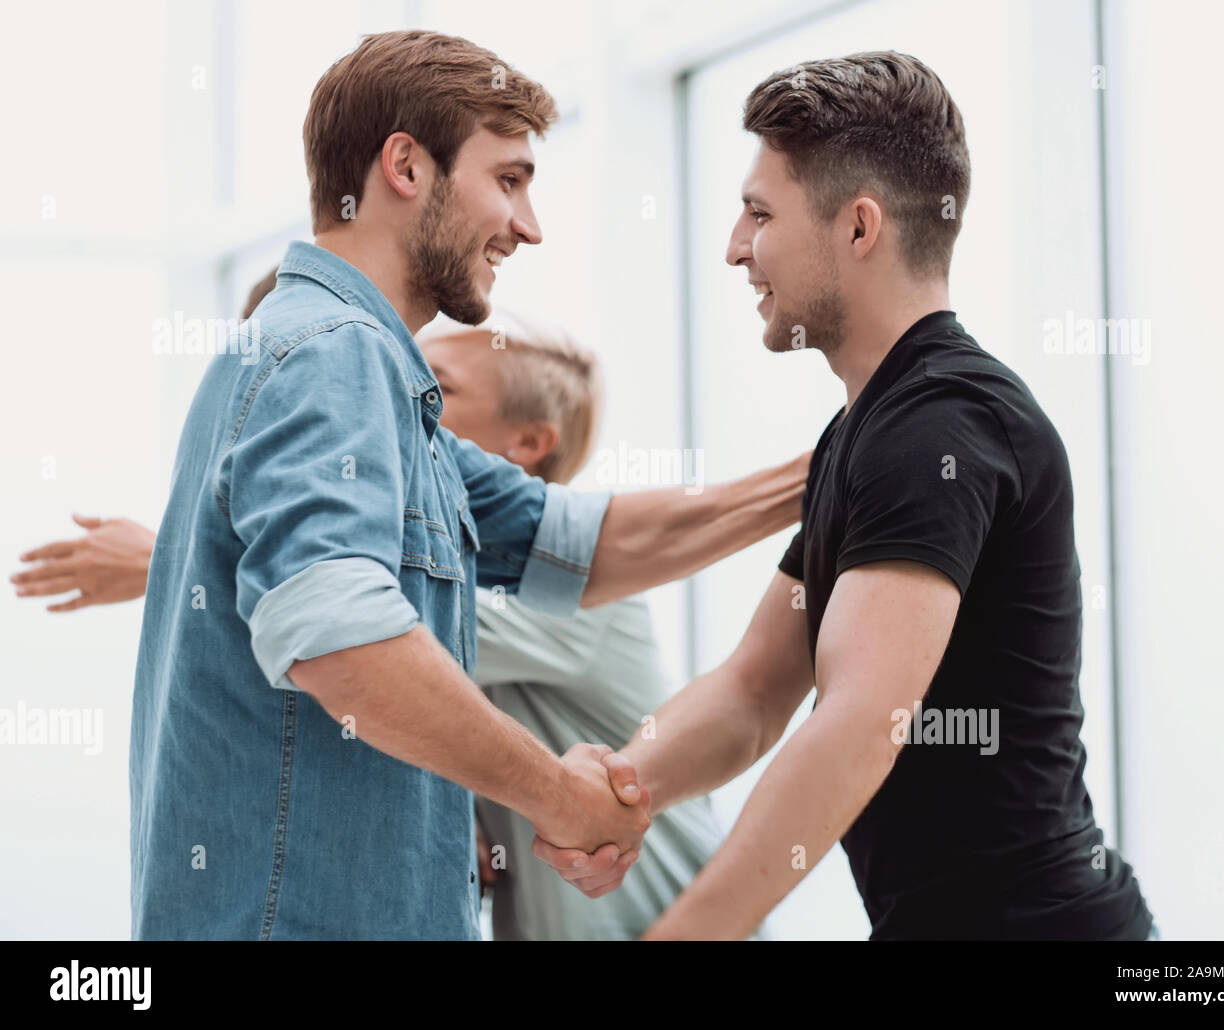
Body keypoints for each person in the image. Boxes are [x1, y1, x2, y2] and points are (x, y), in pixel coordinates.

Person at [112, 30, 807, 940]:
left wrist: (827, 470)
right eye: (509, 180)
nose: (528, 225)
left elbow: (578, 541)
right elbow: (342, 641)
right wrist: (557, 794)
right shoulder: (333, 355)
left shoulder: (384, 393)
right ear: (405, 165)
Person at [532, 50, 1157, 942]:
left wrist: (685, 935)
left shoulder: (939, 426)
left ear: (859, 228)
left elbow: (861, 722)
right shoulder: (863, 435)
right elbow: (754, 691)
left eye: (759, 213)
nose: (735, 247)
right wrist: (624, 783)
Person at [13, 299, 754, 942]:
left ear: (527, 444)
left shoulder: (573, 601)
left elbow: (367, 620)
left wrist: (168, 556)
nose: (402, 395)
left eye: (439, 386)